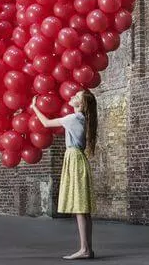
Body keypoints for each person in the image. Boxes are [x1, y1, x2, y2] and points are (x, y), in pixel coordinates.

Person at [30, 89, 97, 260]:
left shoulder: (73, 118)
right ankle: (87, 249)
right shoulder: (82, 119)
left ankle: (84, 249)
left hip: (74, 159)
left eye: (77, 97)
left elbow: (46, 123)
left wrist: (34, 107)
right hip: (78, 159)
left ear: (81, 104)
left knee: (80, 208)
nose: (72, 97)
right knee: (83, 209)